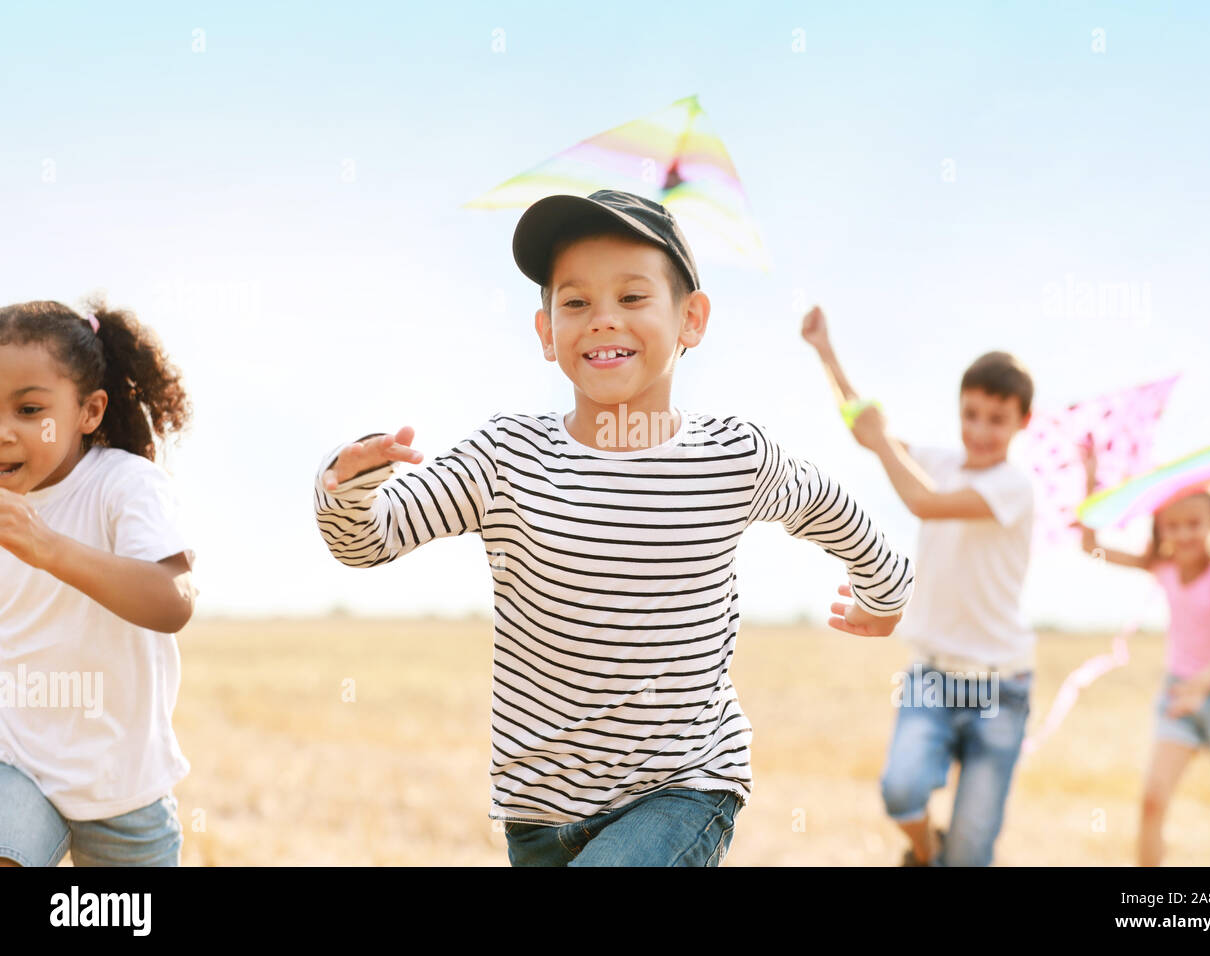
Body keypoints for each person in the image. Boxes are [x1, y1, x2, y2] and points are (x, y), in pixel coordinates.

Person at [313, 189, 914, 866]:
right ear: (546, 331)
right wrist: (348, 484)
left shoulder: (731, 457)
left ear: (692, 319)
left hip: (683, 787)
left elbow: (836, 511)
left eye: (632, 298)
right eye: (576, 303)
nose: (603, 320)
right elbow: (368, 541)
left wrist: (885, 593)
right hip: (539, 813)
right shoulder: (506, 458)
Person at [801, 305, 1037, 866]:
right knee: (901, 790)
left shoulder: (1013, 487)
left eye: (996, 419)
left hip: (1001, 691)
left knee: (974, 852)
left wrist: (884, 443)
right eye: (971, 414)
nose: (980, 431)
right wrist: (826, 352)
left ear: (1022, 421)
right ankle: (923, 854)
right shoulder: (941, 459)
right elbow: (866, 429)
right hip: (931, 678)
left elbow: (924, 502)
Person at [0, 299, 197, 867]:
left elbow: (173, 601)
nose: (3, 432)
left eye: (29, 409)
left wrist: (49, 549)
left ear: (88, 411)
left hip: (121, 788)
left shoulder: (124, 485)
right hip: (17, 766)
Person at [1078, 441, 1210, 866]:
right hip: (1180, 696)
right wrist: (1091, 483)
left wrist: (1203, 684)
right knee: (1151, 802)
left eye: (1193, 524)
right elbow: (1090, 546)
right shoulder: (1161, 567)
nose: (1183, 535)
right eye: (1173, 525)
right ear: (1159, 527)